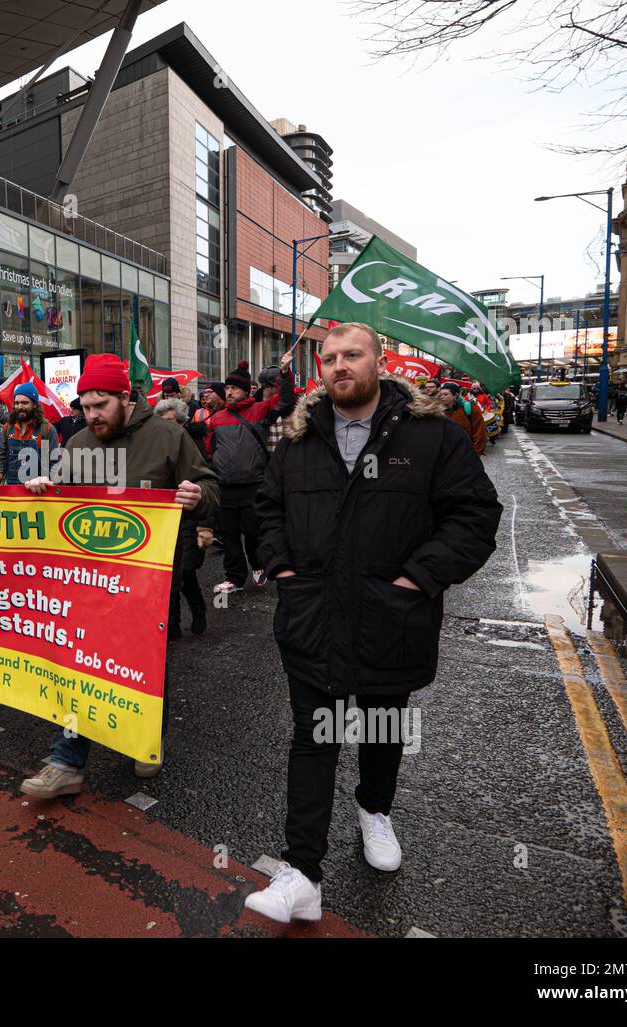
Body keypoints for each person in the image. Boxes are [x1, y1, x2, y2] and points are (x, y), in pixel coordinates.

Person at [244, 321, 501, 925]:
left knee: (381, 728)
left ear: (378, 362)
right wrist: (282, 570)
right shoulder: (299, 438)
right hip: (312, 616)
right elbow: (268, 510)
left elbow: (474, 514)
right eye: (329, 358)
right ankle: (302, 872)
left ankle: (374, 809)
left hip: (393, 618)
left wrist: (417, 579)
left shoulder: (431, 435)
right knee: (315, 736)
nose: (339, 366)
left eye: (351, 355)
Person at [18, 354, 219, 796]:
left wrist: (197, 495)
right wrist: (44, 489)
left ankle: (144, 742)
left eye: (99, 405)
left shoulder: (170, 436)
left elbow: (211, 487)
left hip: (151, 580)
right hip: (88, 582)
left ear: (125, 398)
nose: (90, 416)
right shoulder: (77, 445)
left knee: (146, 664)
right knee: (78, 664)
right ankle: (66, 761)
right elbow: (62, 498)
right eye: (85, 407)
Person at [204, 361, 292, 595]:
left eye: (234, 388)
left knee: (253, 532)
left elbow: (286, 402)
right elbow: (210, 447)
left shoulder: (260, 410)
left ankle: (258, 564)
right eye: (227, 388)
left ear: (246, 390)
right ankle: (234, 578)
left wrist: (285, 373)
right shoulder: (217, 418)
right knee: (230, 536)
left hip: (254, 485)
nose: (229, 392)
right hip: (225, 487)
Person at [155, 396, 212, 636]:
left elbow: (208, 485)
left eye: (170, 421)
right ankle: (173, 624)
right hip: (166, 521)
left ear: (181, 422)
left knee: (186, 570)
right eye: (161, 422)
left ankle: (199, 612)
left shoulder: (192, 444)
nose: (165, 427)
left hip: (192, 520)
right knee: (167, 573)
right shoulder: (156, 446)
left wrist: (205, 523)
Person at [0, 382, 59, 484]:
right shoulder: (8, 427)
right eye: (16, 403)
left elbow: (53, 463)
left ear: (34, 405)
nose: (19, 406)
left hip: (37, 492)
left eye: (24, 403)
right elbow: (1, 451)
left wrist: (48, 483)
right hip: (12, 491)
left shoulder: (46, 429)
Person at [438, 381, 487, 456]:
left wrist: (476, 453)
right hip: (444, 456)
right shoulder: (436, 412)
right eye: (440, 394)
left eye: (446, 394)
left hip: (466, 454)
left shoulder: (469, 409)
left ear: (455, 395)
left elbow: (480, 432)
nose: (442, 397)